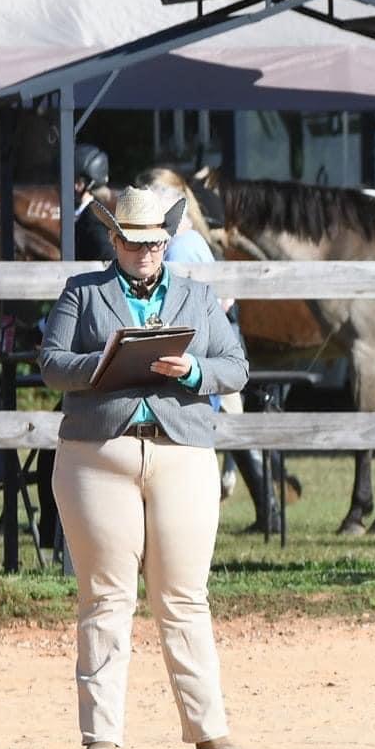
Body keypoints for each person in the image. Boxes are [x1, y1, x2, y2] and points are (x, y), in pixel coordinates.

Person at [39, 185, 250, 749]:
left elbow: (236, 369)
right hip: (97, 456)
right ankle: (100, 734)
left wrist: (192, 371)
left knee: (184, 595)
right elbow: (52, 365)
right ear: (115, 240)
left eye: (157, 243)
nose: (147, 253)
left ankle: (209, 729)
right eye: (135, 244)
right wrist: (104, 362)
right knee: (106, 595)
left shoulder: (197, 297)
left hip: (181, 452)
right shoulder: (81, 294)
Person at [134, 169, 283, 535]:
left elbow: (209, 301)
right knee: (230, 426)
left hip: (208, 350)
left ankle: (263, 511)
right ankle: (267, 510)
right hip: (218, 345)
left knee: (226, 428)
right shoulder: (194, 242)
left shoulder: (183, 248)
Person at [70, 143, 118, 264]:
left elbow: (109, 257)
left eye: (73, 180)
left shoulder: (93, 220)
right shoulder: (86, 213)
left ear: (82, 184)